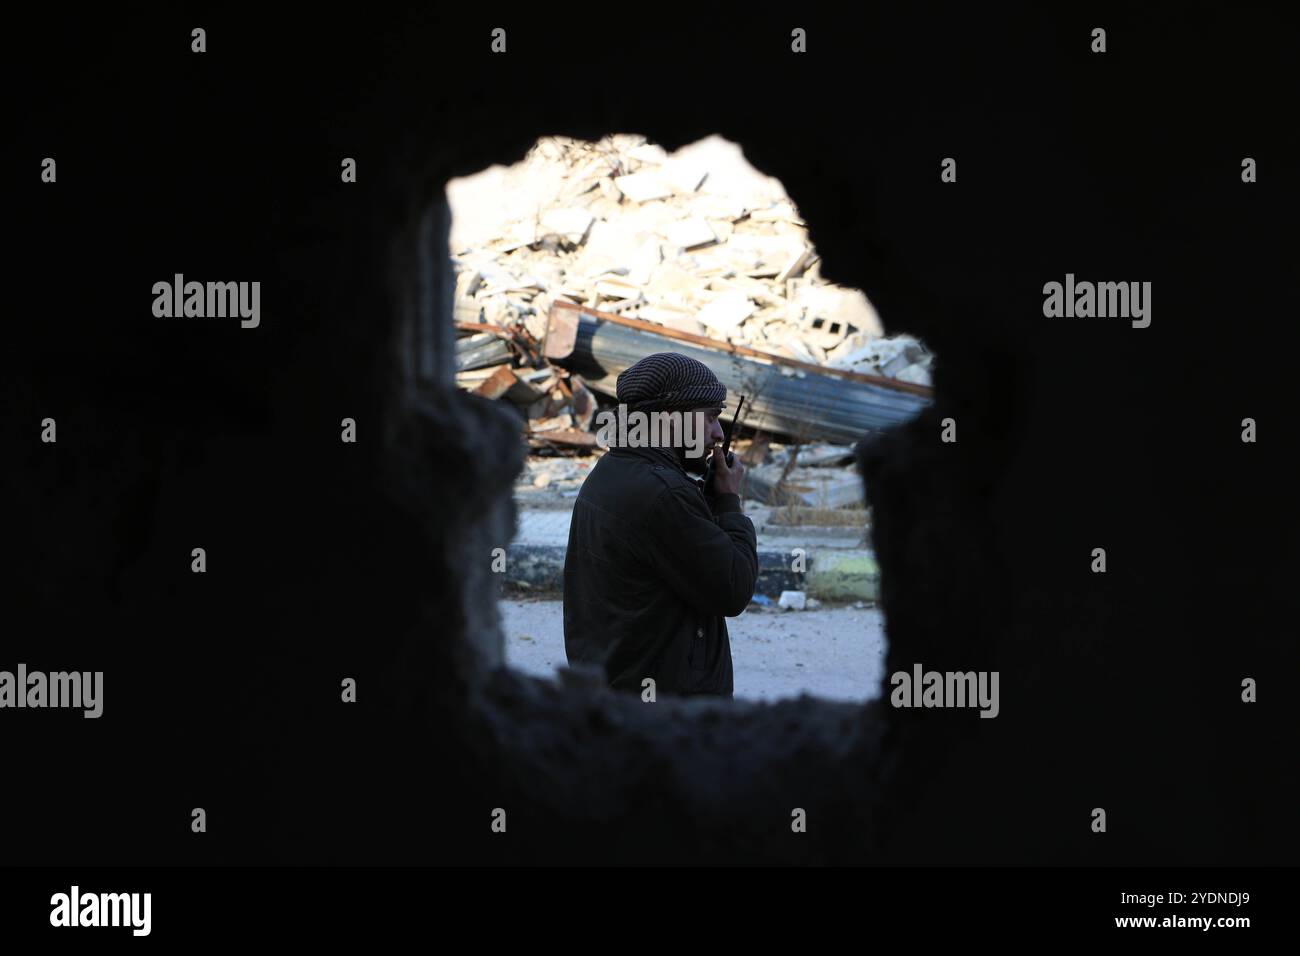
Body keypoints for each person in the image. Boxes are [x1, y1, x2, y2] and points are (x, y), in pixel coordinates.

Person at [563, 352, 758, 697]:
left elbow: (674, 558)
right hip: (669, 712)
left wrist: (705, 500)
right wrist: (728, 501)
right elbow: (733, 588)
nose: (717, 433)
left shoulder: (612, 470)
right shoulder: (663, 494)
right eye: (711, 416)